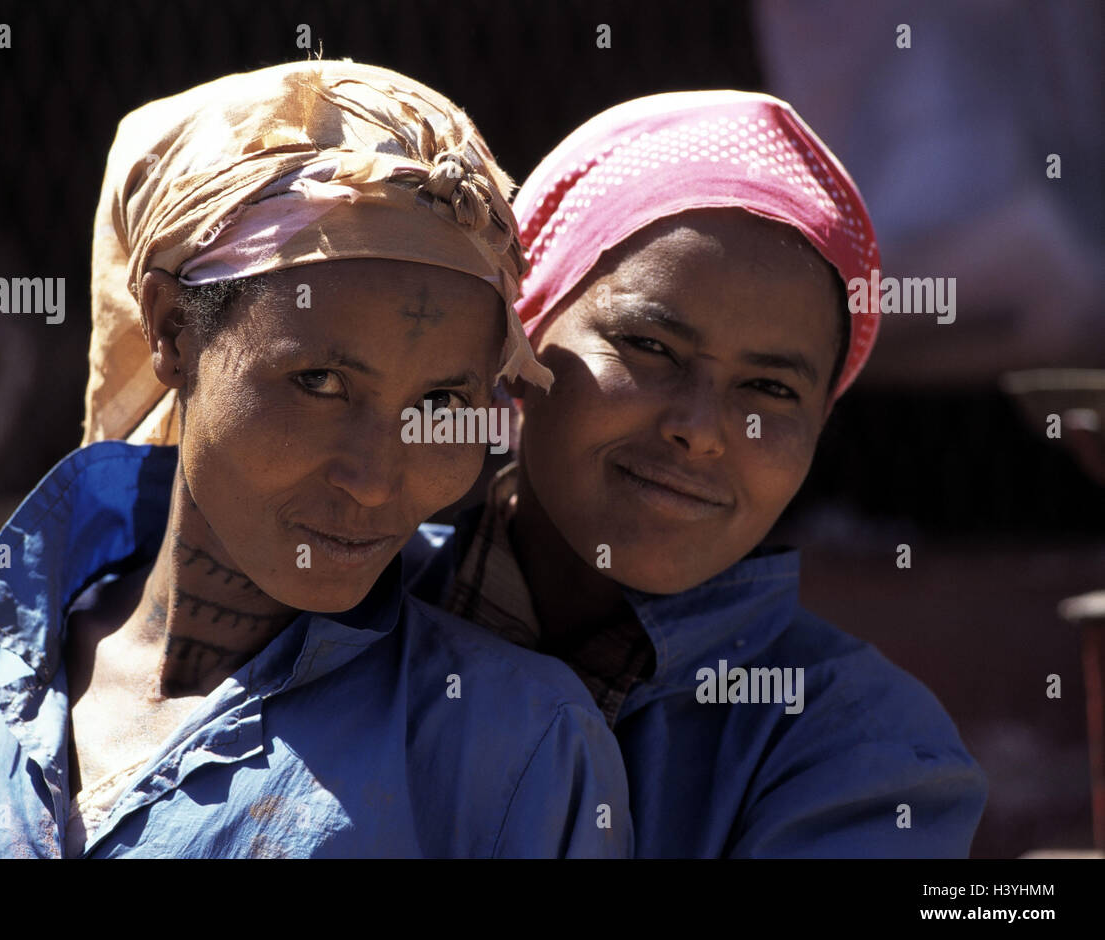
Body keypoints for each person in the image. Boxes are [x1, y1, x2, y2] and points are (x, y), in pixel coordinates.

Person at [0, 61, 631, 858]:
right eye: (320, 382)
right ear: (173, 331)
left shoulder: (513, 749)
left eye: (439, 408)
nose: (373, 476)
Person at [404, 90, 987, 856]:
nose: (699, 430)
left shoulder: (868, 751)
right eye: (649, 347)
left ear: (817, 429)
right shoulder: (342, 614)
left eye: (771, 389)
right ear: (520, 344)